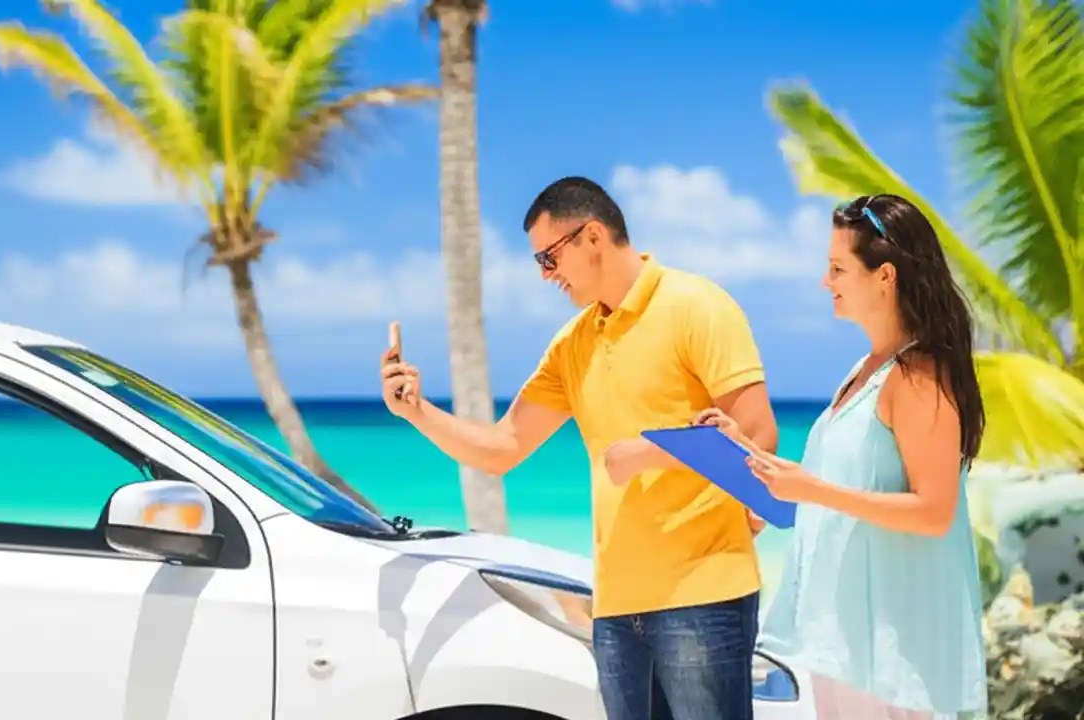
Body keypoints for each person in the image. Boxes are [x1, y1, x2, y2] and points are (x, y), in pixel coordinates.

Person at [380, 176, 779, 720]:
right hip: (615, 609)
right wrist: (416, 411)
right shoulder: (573, 344)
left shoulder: (696, 305)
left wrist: (646, 452)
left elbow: (756, 433)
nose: (546, 275)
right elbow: (503, 447)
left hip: (703, 599)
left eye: (549, 256)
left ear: (592, 236)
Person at [698, 193, 988, 719]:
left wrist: (812, 490)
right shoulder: (862, 371)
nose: (824, 282)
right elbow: (834, 500)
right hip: (849, 647)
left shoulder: (920, 374)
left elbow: (934, 511)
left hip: (902, 660)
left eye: (837, 268)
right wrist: (742, 453)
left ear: (885, 277)